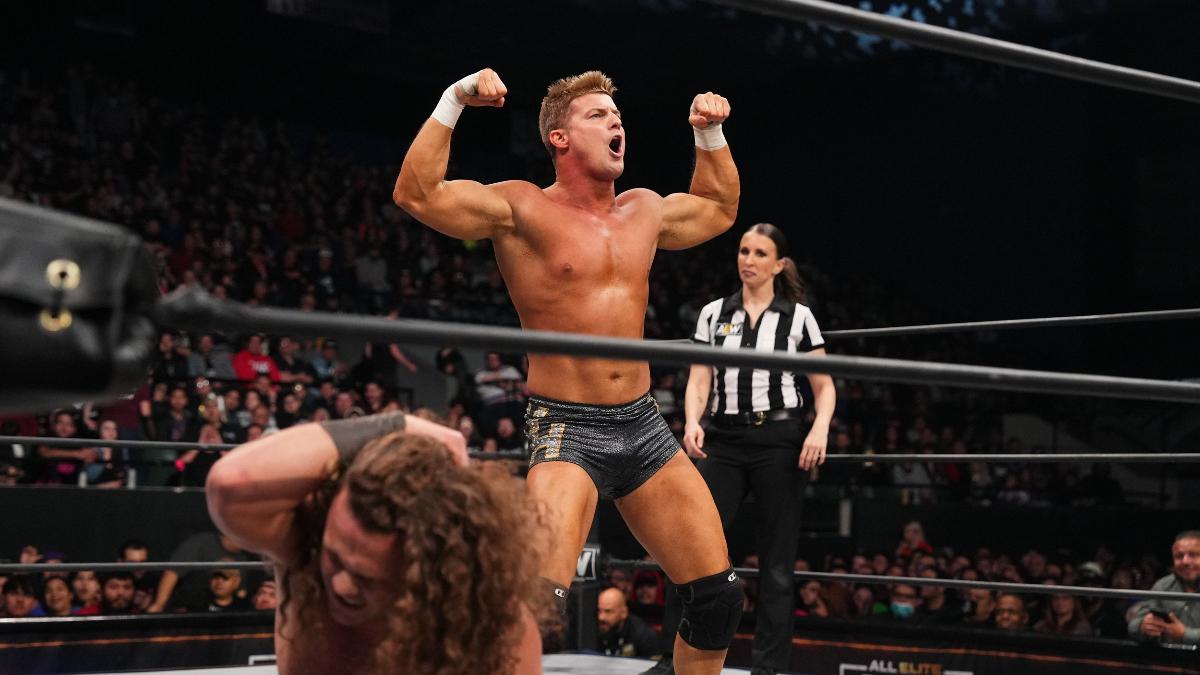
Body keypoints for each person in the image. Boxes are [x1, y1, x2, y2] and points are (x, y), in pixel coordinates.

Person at [393, 68, 741, 675]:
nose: (617, 124)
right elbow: (418, 194)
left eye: (619, 116)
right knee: (533, 607)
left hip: (642, 424)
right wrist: (452, 100)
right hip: (565, 429)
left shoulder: (644, 210)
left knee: (718, 598)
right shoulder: (521, 207)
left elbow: (717, 207)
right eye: (599, 115)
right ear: (559, 137)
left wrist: (709, 134)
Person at [205, 411, 547, 674]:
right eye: (334, 557)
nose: (339, 584)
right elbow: (230, 483)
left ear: (431, 570)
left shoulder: (490, 629)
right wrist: (396, 425)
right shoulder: (304, 546)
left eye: (366, 578)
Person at [657, 222, 834, 675]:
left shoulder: (798, 316)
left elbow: (823, 384)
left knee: (777, 562)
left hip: (780, 440)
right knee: (692, 548)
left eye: (759, 253)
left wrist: (820, 429)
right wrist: (692, 421)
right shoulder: (715, 313)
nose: (748, 260)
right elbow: (700, 376)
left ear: (778, 264)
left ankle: (770, 668)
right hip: (725, 439)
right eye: (743, 251)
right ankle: (671, 660)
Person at [1129, 530, 1200, 645]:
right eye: (1179, 556)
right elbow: (1133, 626)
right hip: (1168, 659)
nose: (1185, 561)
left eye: (1193, 555)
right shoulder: (1163, 585)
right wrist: (1144, 627)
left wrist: (1185, 634)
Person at [598, 586, 661, 658]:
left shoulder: (644, 636)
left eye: (608, 611)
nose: (601, 617)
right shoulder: (593, 629)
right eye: (599, 611)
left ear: (624, 613)